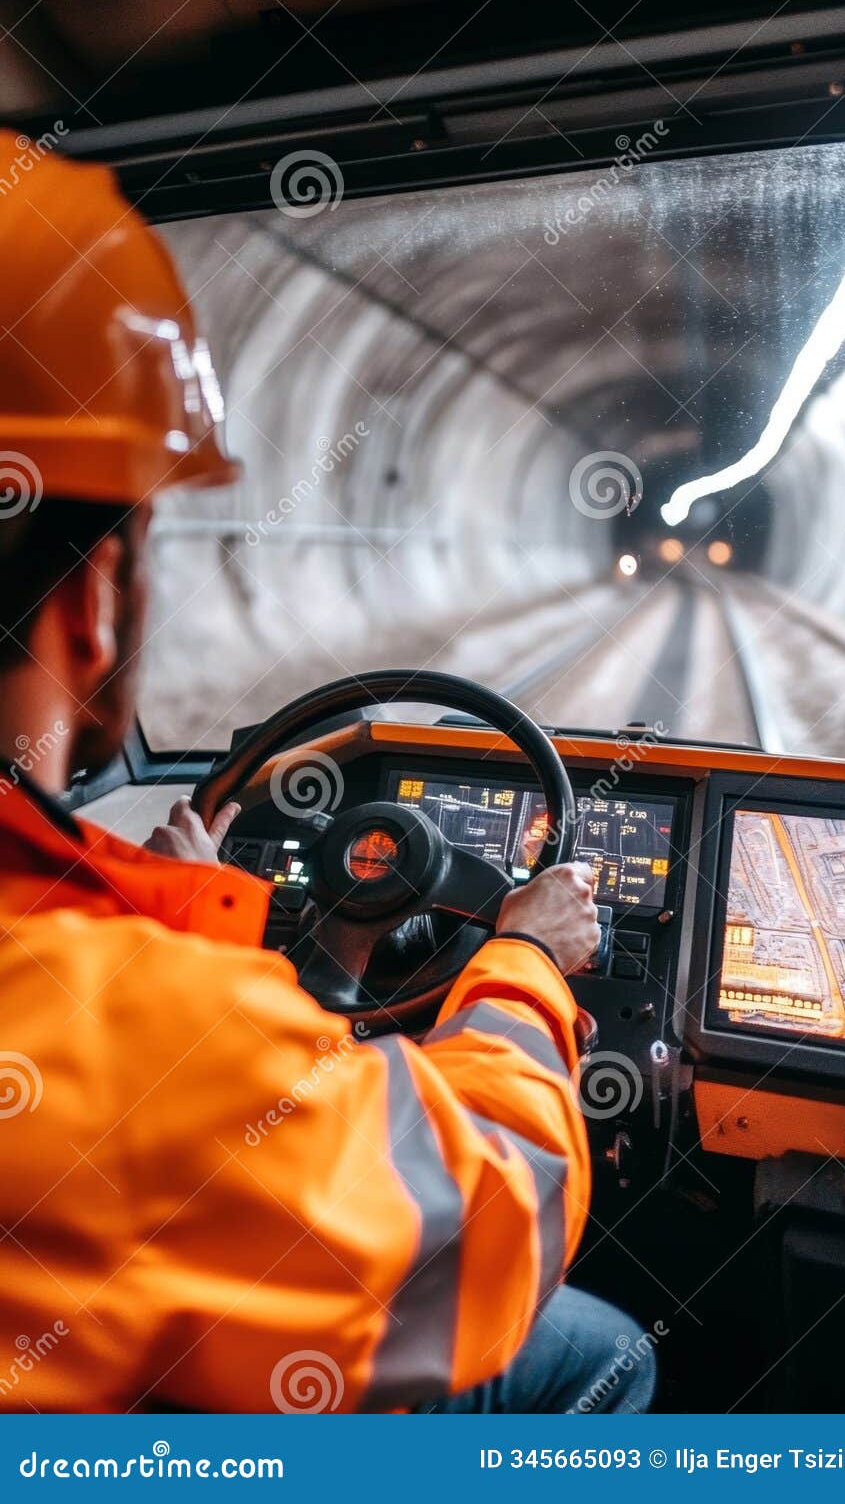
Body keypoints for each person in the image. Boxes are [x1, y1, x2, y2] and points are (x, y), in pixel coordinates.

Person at [0, 137, 654, 1414]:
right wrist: (518, 958)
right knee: (604, 1348)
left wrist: (182, 939)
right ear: (93, 601)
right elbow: (489, 1217)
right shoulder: (129, 1036)